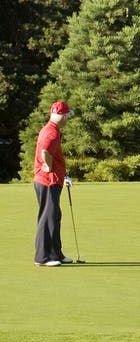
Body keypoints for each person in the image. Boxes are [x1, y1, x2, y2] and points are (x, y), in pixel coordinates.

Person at [33, 101, 74, 267]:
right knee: (48, 217)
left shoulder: (51, 129)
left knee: (54, 215)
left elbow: (53, 155)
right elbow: (45, 152)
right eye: (67, 116)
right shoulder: (52, 133)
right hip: (47, 181)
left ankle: (56, 253)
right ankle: (42, 257)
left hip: (51, 180)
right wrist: (49, 167)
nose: (68, 119)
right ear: (63, 117)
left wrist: (63, 174)